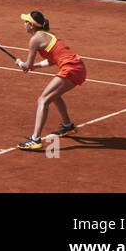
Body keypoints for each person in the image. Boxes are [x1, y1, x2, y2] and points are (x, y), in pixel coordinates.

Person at [15, 11, 86, 151]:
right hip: (77, 67)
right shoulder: (48, 34)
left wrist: (20, 63)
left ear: (31, 25)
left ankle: (35, 139)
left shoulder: (35, 39)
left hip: (71, 68)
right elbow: (53, 59)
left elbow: (27, 66)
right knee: (54, 95)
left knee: (43, 100)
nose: (24, 24)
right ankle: (67, 126)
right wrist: (36, 66)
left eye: (26, 22)